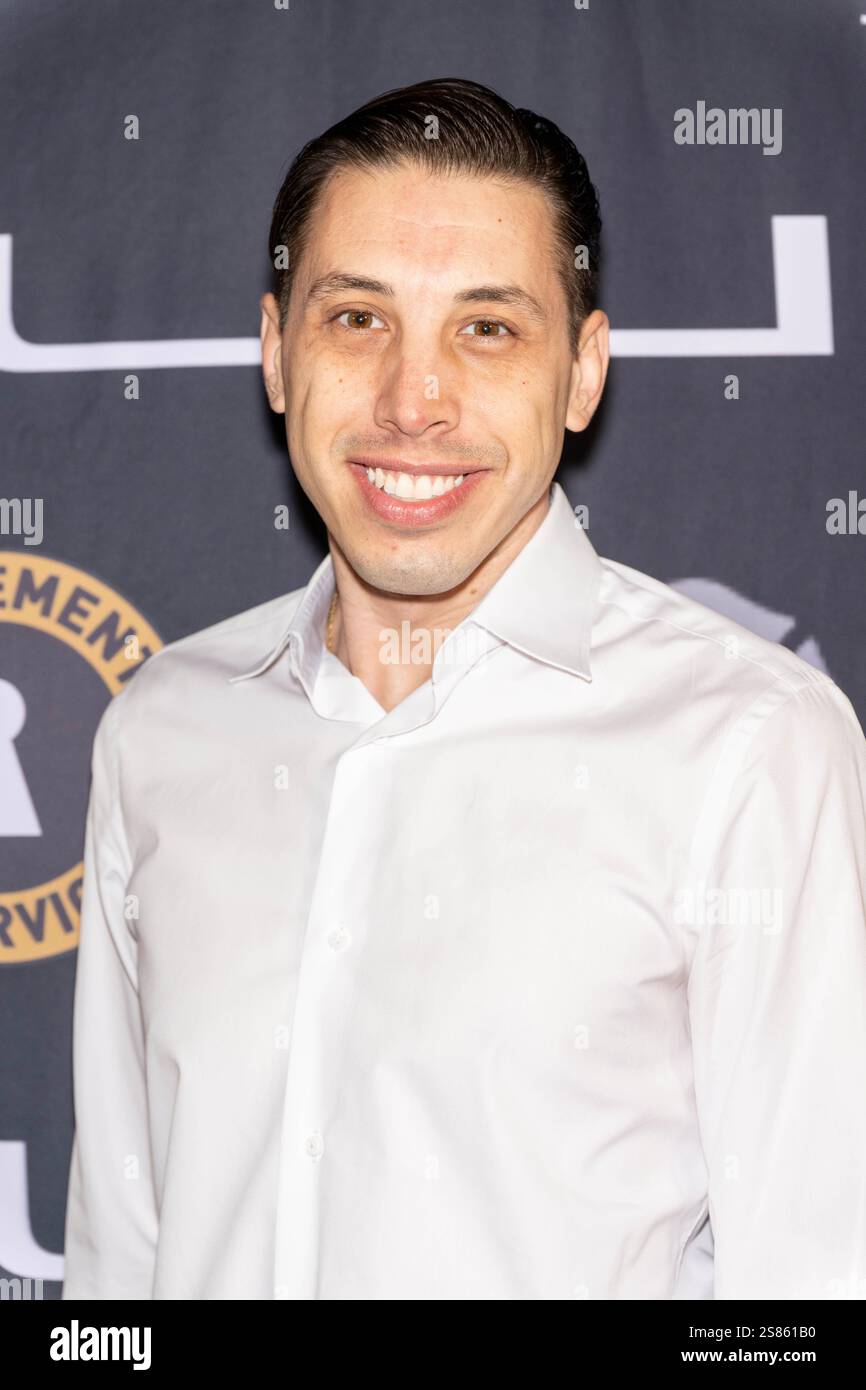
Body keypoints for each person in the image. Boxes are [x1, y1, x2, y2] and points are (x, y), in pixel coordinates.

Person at [62, 76, 866, 1301]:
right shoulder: (160, 730)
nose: (411, 401)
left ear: (582, 373)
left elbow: (814, 1285)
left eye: (485, 328)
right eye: (356, 320)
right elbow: (119, 1263)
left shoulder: (750, 743)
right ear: (276, 350)